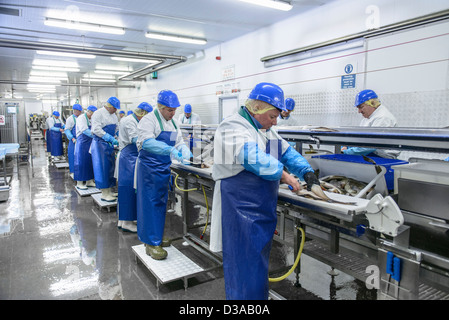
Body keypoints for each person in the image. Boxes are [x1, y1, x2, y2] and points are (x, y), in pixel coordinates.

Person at [210, 82, 320, 300]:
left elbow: (286, 152)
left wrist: (307, 172)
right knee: (243, 262)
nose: (275, 121)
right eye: (272, 116)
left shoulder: (265, 129)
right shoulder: (232, 126)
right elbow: (252, 157)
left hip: (261, 206)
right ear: (257, 108)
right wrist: (284, 175)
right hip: (239, 205)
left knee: (258, 260)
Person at [136, 90, 192, 260]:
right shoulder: (149, 120)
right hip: (149, 167)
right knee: (149, 203)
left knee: (161, 203)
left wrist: (185, 151)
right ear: (160, 107)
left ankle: (157, 237)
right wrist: (169, 149)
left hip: (163, 167)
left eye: (174, 109)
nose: (173, 113)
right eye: (169, 110)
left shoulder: (174, 123)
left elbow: (179, 141)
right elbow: (147, 142)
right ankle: (150, 243)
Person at [116, 102, 153, 233]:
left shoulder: (133, 120)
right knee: (129, 188)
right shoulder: (129, 121)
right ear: (142, 114)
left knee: (128, 188)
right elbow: (135, 139)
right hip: (129, 157)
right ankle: (127, 222)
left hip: (132, 156)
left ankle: (123, 219)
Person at [342, 89, 399, 158]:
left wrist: (346, 152)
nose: (359, 111)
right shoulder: (367, 118)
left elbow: (371, 145)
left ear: (372, 103)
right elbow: (359, 139)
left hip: (381, 158)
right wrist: (346, 145)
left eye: (361, 107)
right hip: (370, 154)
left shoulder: (382, 118)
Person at [91, 97, 120, 202]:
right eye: (114, 108)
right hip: (100, 144)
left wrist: (117, 136)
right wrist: (109, 137)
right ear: (109, 107)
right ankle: (104, 193)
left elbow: (116, 128)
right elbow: (96, 129)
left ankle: (110, 191)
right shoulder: (98, 114)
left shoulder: (114, 115)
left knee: (110, 167)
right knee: (102, 168)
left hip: (109, 145)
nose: (116, 110)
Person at [74, 105, 97, 190]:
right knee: (81, 162)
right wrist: (96, 134)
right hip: (82, 143)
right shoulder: (81, 118)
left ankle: (89, 181)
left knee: (89, 162)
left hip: (90, 143)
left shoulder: (91, 119)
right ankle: (79, 182)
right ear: (89, 112)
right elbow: (84, 130)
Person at [64, 104, 83, 177]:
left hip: (81, 140)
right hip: (74, 141)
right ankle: (73, 171)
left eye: (80, 111)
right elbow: (67, 130)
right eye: (79, 111)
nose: (80, 112)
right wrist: (72, 138)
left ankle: (81, 172)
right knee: (73, 156)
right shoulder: (70, 119)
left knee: (81, 157)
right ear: (75, 111)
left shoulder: (82, 118)